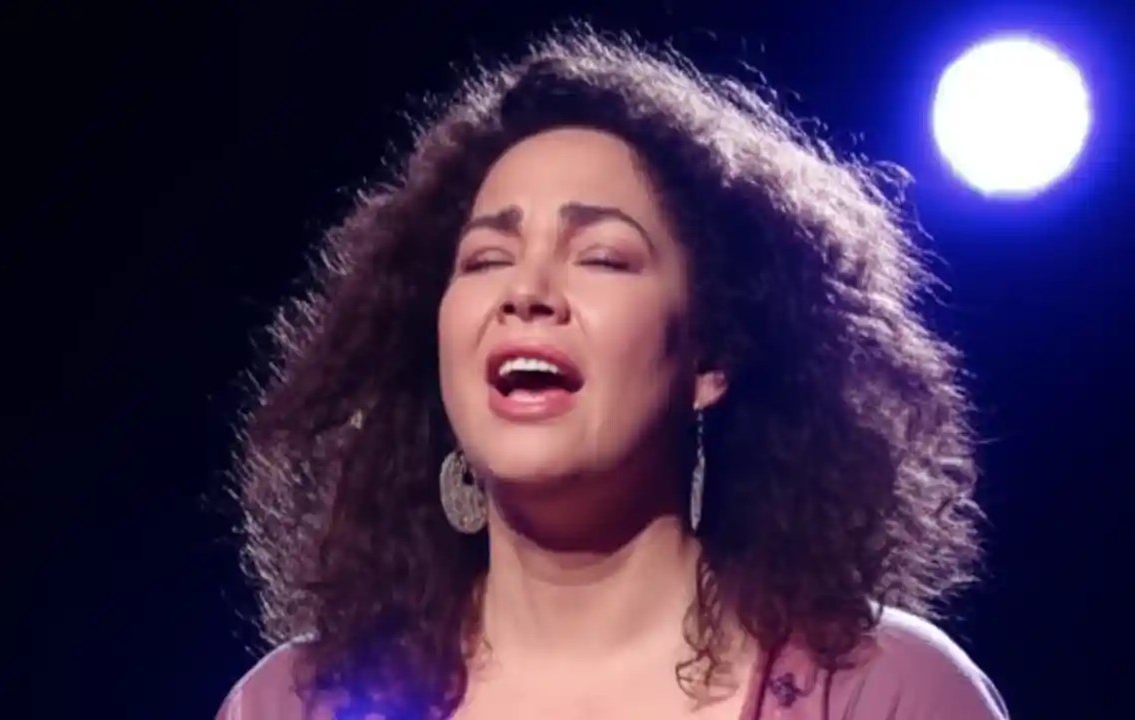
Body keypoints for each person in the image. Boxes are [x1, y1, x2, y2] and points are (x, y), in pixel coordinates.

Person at [217, 25, 1010, 720]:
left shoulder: (885, 691)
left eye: (601, 257)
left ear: (711, 356)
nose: (525, 293)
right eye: (486, 259)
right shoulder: (293, 704)